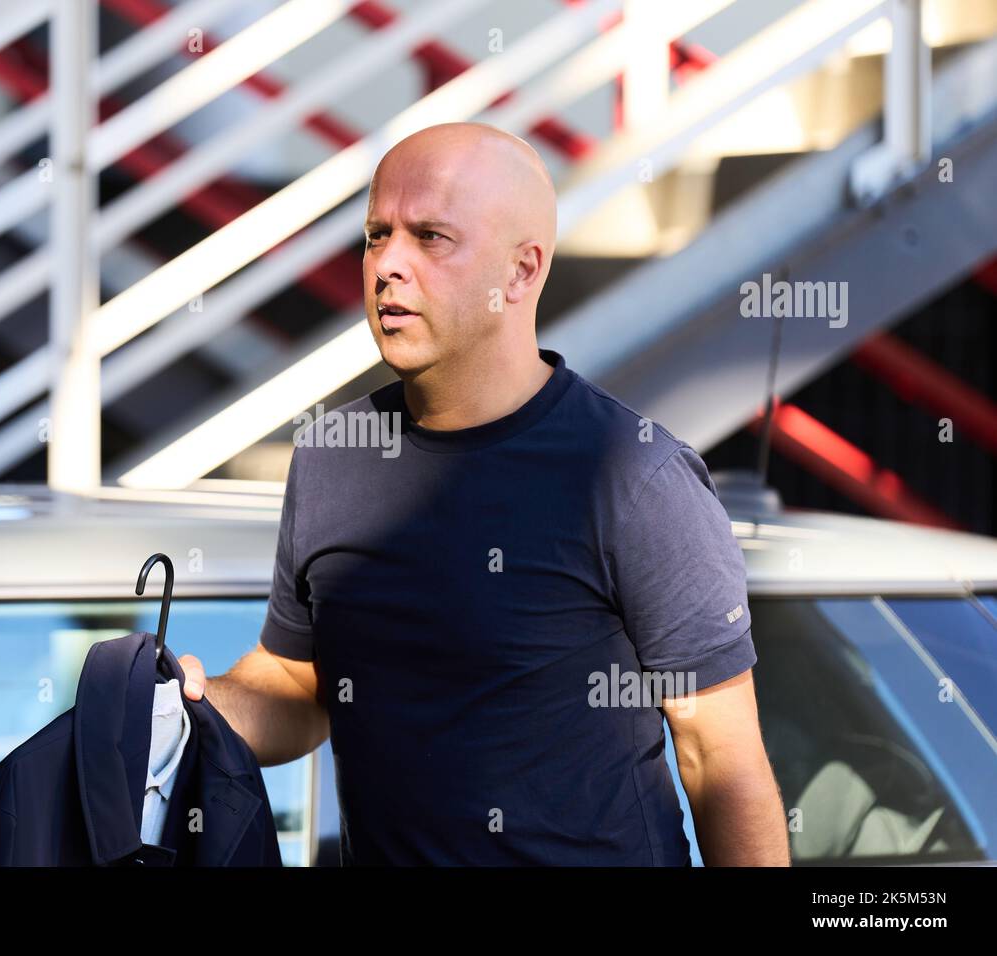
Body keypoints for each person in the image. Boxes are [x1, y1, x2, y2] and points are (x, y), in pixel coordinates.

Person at [178, 121, 790, 866]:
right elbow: (302, 686)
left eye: (431, 237)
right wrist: (194, 707)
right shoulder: (331, 457)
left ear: (523, 271)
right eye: (376, 235)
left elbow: (719, 760)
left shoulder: (634, 476)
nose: (387, 265)